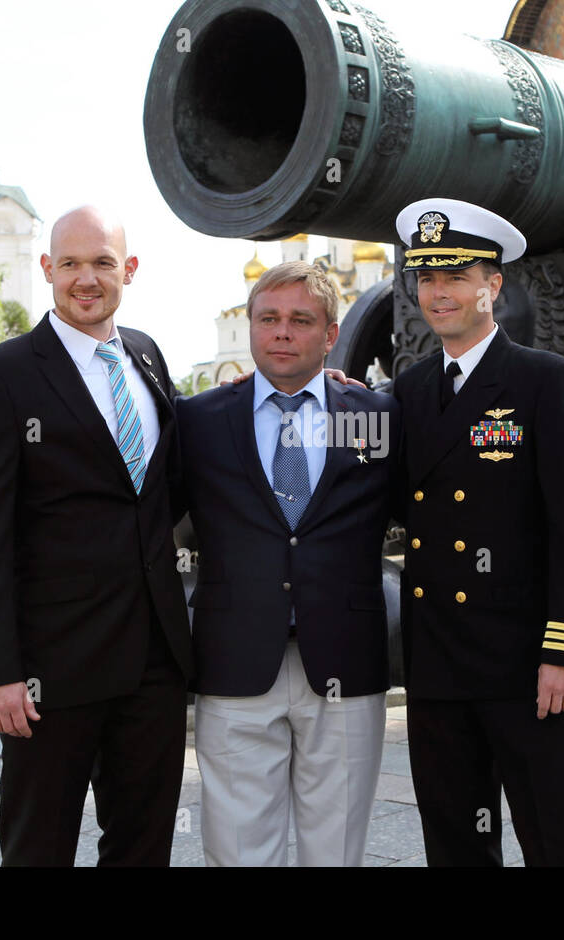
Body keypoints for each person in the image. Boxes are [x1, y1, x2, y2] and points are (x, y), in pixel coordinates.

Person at [0, 206, 193, 866]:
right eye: (72, 264)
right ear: (47, 269)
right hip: (47, 672)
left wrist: (302, 386)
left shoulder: (145, 354)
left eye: (103, 263)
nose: (87, 279)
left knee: (143, 845)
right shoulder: (0, 375)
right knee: (39, 847)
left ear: (129, 271)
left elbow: (171, 477)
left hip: (155, 661)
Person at [390, 197, 564, 866]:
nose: (439, 293)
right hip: (437, 664)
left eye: (456, 276)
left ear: (493, 285)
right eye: (427, 278)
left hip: (525, 663)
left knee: (562, 834)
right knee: (456, 840)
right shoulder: (407, 391)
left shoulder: (546, 382)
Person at [176, 261, 400, 866]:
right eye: (268, 318)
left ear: (329, 335)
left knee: (337, 847)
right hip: (234, 661)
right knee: (239, 847)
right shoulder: (196, 420)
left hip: (346, 664)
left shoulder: (375, 416)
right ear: (249, 328)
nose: (282, 332)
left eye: (301, 320)